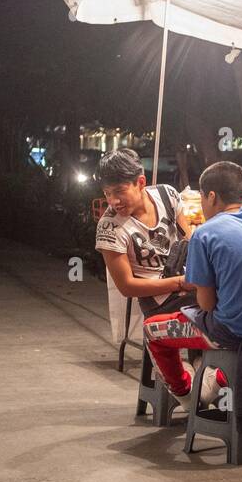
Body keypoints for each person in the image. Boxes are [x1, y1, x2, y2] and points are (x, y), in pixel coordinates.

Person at [143, 161, 242, 420]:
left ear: (211, 196)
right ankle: (218, 377)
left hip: (235, 332)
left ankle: (189, 397)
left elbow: (206, 305)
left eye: (203, 197)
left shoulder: (204, 234)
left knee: (152, 328)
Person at [95, 148, 216, 407]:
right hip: (157, 299)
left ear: (140, 183)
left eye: (119, 191)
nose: (113, 201)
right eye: (107, 194)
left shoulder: (167, 195)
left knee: (229, 309)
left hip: (189, 283)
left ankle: (209, 369)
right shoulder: (109, 228)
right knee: (219, 321)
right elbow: (127, 286)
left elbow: (187, 237)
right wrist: (181, 283)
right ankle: (192, 389)